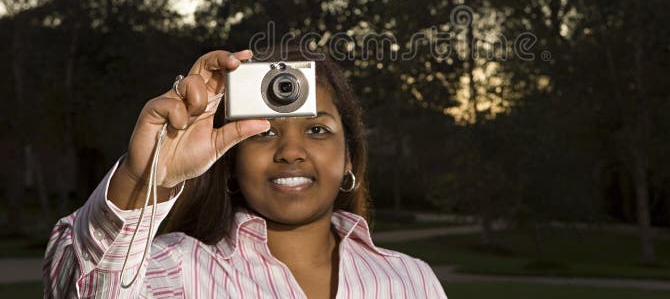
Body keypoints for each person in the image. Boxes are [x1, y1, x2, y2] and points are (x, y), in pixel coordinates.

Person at [44, 49, 447, 298]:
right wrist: (145, 174)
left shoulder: (410, 280)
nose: (291, 151)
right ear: (232, 165)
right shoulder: (178, 273)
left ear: (348, 159)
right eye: (264, 132)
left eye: (318, 129)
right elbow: (81, 287)